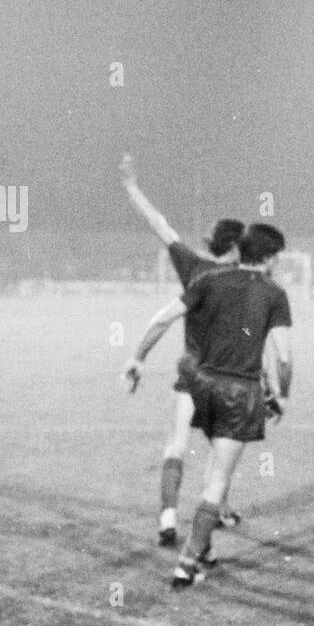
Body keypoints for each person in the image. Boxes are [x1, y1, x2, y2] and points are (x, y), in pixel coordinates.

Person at [124, 223, 292, 588]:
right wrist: (281, 396)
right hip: (240, 391)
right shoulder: (274, 294)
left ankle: (201, 551)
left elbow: (163, 318)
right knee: (217, 480)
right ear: (268, 256)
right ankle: (186, 563)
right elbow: (283, 357)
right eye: (277, 255)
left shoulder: (209, 280)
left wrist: (138, 358)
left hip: (201, 386)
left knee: (201, 463)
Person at [118, 153, 245, 544]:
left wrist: (131, 187)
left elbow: (160, 225)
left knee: (176, 445)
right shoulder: (247, 281)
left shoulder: (193, 269)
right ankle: (217, 509)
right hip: (226, 377)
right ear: (238, 247)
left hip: (192, 375)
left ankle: (168, 520)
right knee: (220, 450)